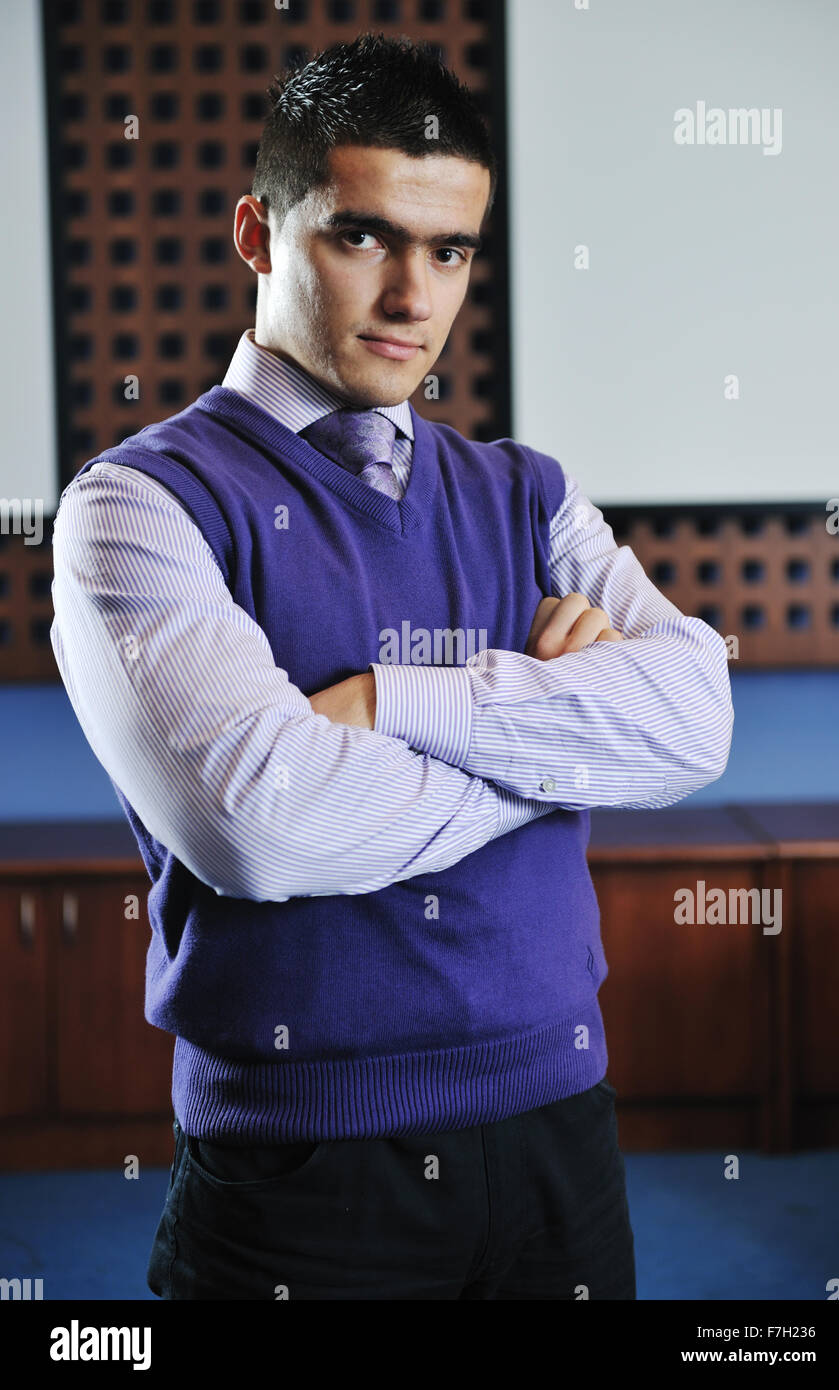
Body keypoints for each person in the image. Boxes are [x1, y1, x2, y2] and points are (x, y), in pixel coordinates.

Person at [50, 33, 733, 1300]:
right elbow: (268, 828)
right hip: (301, 1173)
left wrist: (392, 705)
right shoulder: (139, 507)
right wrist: (561, 743)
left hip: (561, 1135)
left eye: (450, 250)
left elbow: (694, 723)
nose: (414, 297)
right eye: (362, 237)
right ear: (258, 232)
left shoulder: (526, 492)